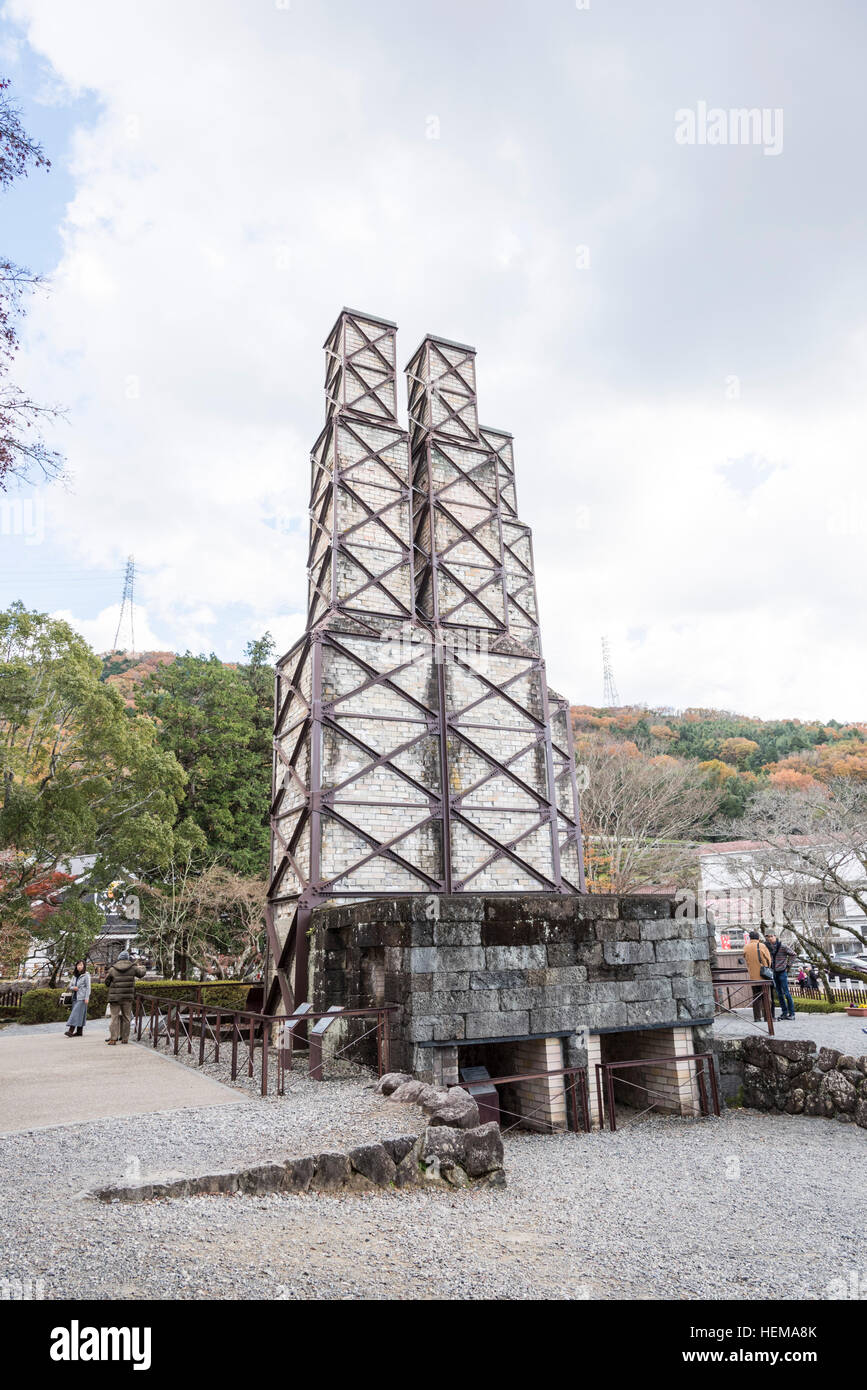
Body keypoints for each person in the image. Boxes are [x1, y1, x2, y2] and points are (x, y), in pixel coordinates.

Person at [104, 950, 146, 1045]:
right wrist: (142, 967)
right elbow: (141, 974)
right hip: (127, 997)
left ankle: (113, 1039)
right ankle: (125, 1038)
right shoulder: (133, 968)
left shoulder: (112, 969)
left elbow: (106, 983)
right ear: (127, 958)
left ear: (119, 958)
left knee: (114, 1017)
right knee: (126, 1017)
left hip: (115, 998)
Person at [766, 931, 796, 1021]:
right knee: (779, 994)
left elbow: (793, 954)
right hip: (774, 972)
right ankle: (784, 1013)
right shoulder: (769, 947)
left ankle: (792, 1014)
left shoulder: (783, 946)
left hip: (782, 972)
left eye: (771, 936)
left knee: (786, 993)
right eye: (768, 937)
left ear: (775, 936)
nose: (770, 938)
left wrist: (788, 965)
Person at [744, 930, 773, 1021]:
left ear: (750, 938)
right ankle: (767, 1017)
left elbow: (745, 958)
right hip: (763, 976)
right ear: (758, 938)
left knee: (756, 997)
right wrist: (767, 967)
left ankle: (757, 1017)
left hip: (753, 976)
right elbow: (769, 959)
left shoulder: (746, 947)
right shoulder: (762, 946)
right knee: (766, 997)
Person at [64, 960, 91, 1037]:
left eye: (81, 965)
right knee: (80, 1014)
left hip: (82, 998)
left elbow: (88, 987)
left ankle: (70, 1031)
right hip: (75, 997)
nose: (80, 966)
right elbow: (69, 986)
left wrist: (87, 997)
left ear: (84, 966)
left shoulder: (86, 975)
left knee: (75, 1014)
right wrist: (73, 988)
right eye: (78, 965)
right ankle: (79, 1032)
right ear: (76, 966)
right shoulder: (74, 976)